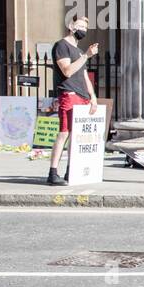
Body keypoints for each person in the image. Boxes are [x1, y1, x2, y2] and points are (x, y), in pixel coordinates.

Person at [47, 15, 97, 186]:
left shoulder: (79, 51)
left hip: (82, 96)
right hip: (69, 93)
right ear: (70, 25)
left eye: (85, 27)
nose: (83, 29)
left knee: (77, 136)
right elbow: (67, 71)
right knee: (64, 133)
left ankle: (71, 171)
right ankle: (53, 173)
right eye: (80, 25)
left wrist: (93, 97)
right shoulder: (61, 45)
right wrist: (86, 56)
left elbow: (84, 77)